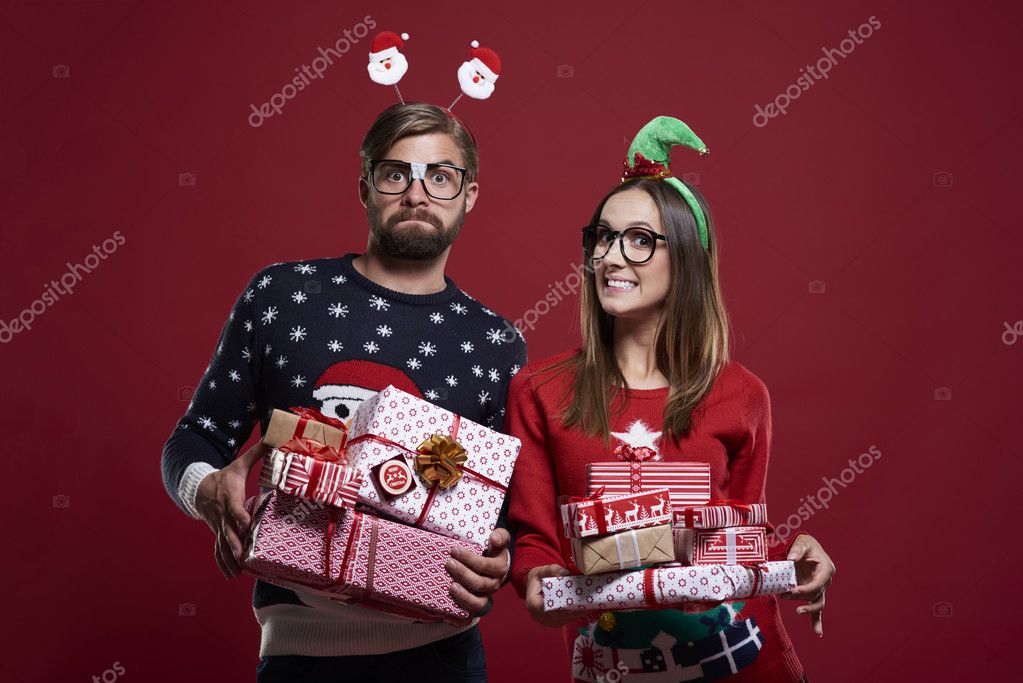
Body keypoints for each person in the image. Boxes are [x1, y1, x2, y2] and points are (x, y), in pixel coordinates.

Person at [161, 102, 527, 683]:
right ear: (365, 188)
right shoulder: (281, 297)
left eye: (440, 175)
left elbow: (506, 506)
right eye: (394, 174)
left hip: (445, 657)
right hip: (300, 656)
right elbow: (195, 437)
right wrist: (205, 489)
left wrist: (502, 559)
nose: (417, 194)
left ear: (469, 194)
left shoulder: (496, 342)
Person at [506, 117, 835, 682]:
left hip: (745, 661)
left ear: (685, 259)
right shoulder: (538, 391)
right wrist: (534, 578)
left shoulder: (742, 394)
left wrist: (795, 553)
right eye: (602, 237)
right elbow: (535, 540)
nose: (611, 257)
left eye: (639, 239)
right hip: (613, 665)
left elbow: (735, 540)